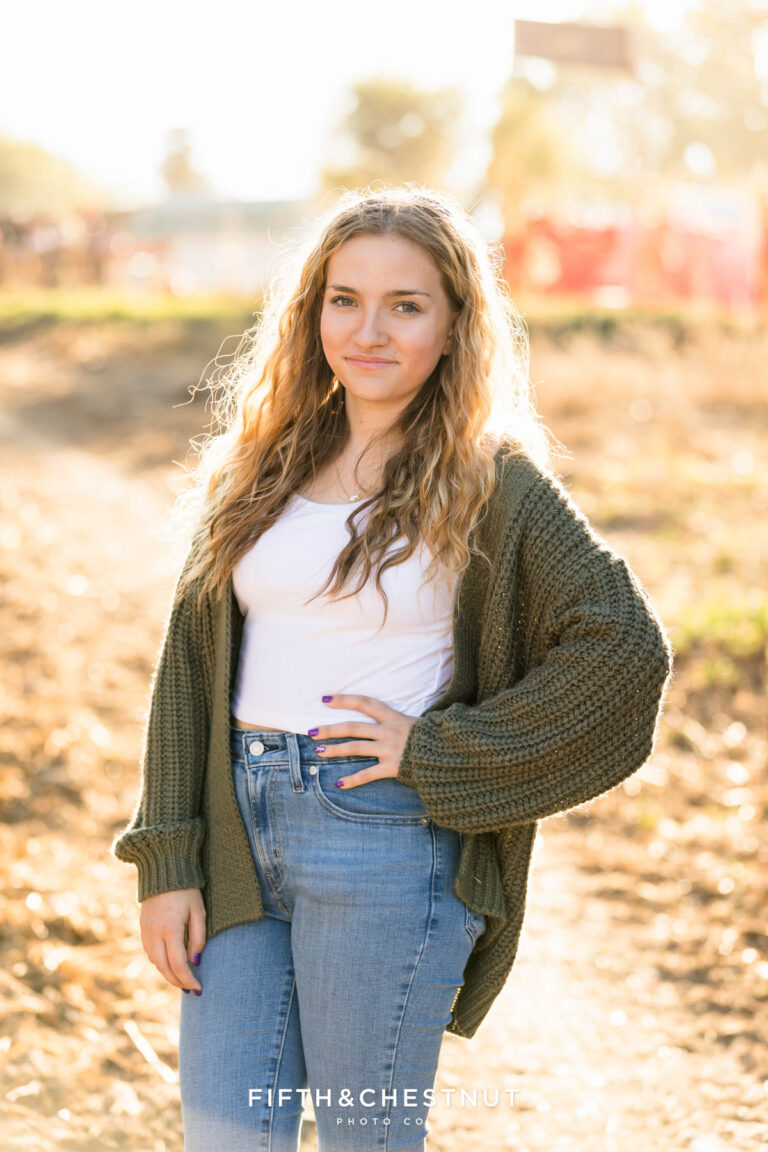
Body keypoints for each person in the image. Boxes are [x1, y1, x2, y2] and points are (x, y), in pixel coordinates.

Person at [111, 185, 673, 1152]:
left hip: (381, 838)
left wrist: (443, 750)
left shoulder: (492, 480)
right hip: (238, 829)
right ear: (312, 312)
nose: (368, 331)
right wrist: (167, 858)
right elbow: (188, 670)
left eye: (405, 306)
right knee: (224, 1139)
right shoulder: (261, 467)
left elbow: (625, 645)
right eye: (345, 300)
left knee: (363, 1140)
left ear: (454, 327)